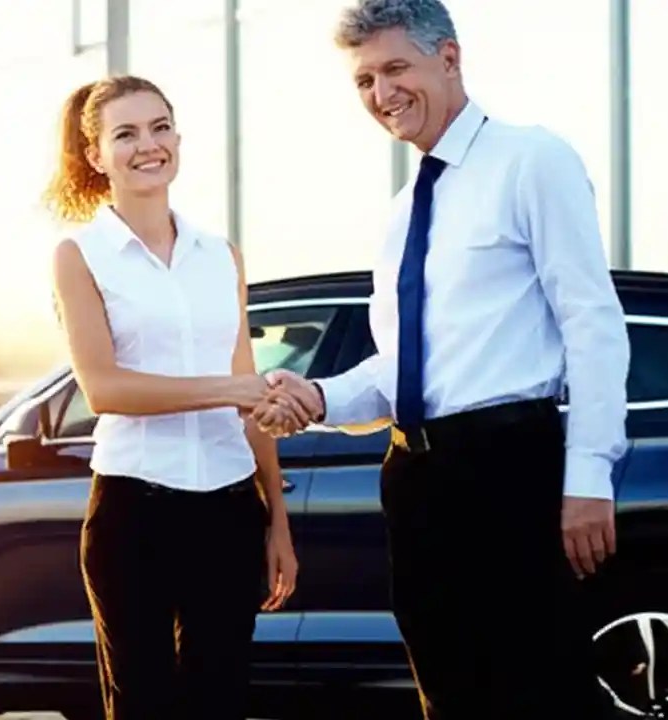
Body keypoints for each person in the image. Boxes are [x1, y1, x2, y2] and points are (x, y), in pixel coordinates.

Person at [256, 1, 628, 717]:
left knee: (539, 690)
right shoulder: (401, 212)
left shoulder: (532, 159)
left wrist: (588, 475)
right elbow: (400, 367)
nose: (381, 93)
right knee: (449, 694)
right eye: (364, 80)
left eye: (396, 68)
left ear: (449, 58)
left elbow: (592, 323)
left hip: (509, 467)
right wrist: (319, 397)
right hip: (416, 481)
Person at [44, 74, 315, 720]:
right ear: (95, 155)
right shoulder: (79, 255)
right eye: (127, 134)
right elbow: (104, 388)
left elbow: (252, 403)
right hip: (135, 512)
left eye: (161, 127)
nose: (149, 145)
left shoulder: (220, 256)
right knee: (143, 705)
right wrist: (230, 390)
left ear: (178, 139)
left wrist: (276, 518)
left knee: (219, 701)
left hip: (228, 511)